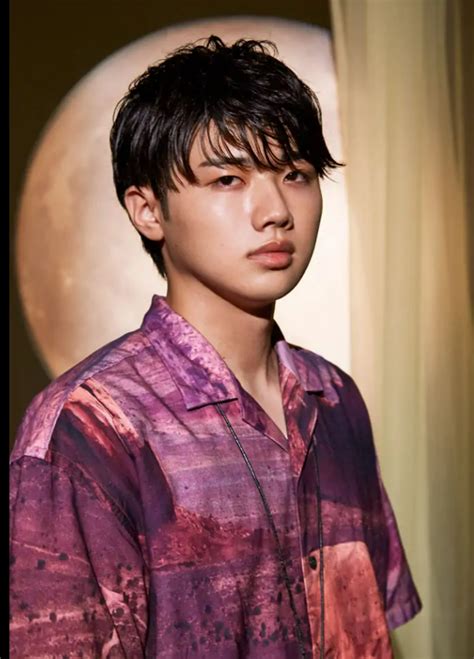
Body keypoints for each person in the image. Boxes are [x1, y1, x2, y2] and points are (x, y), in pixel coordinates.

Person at [10, 35, 422, 658]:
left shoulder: (335, 399)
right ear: (148, 210)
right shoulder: (90, 429)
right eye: (228, 178)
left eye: (296, 174)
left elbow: (373, 635)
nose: (275, 211)